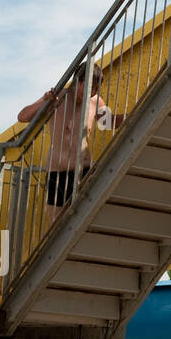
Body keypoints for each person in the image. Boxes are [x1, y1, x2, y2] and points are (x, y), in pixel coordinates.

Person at [16, 61, 123, 224]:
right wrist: (45, 100)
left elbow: (109, 122)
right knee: (57, 224)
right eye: (87, 86)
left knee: (89, 220)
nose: (91, 91)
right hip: (58, 172)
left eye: (95, 88)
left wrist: (135, 113)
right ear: (77, 82)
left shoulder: (95, 101)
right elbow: (22, 116)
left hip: (84, 171)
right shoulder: (59, 97)